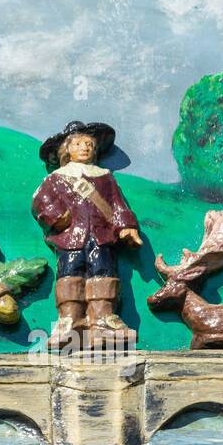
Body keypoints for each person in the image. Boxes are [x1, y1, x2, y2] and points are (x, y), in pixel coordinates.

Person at [32, 121, 143, 346]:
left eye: (90, 145)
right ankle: (70, 320)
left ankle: (103, 319)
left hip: (101, 236)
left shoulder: (104, 176)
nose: (85, 148)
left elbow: (117, 205)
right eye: (79, 144)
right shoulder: (57, 178)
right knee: (70, 273)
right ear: (67, 150)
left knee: (103, 271)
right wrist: (56, 217)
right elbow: (40, 201)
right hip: (71, 237)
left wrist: (126, 227)